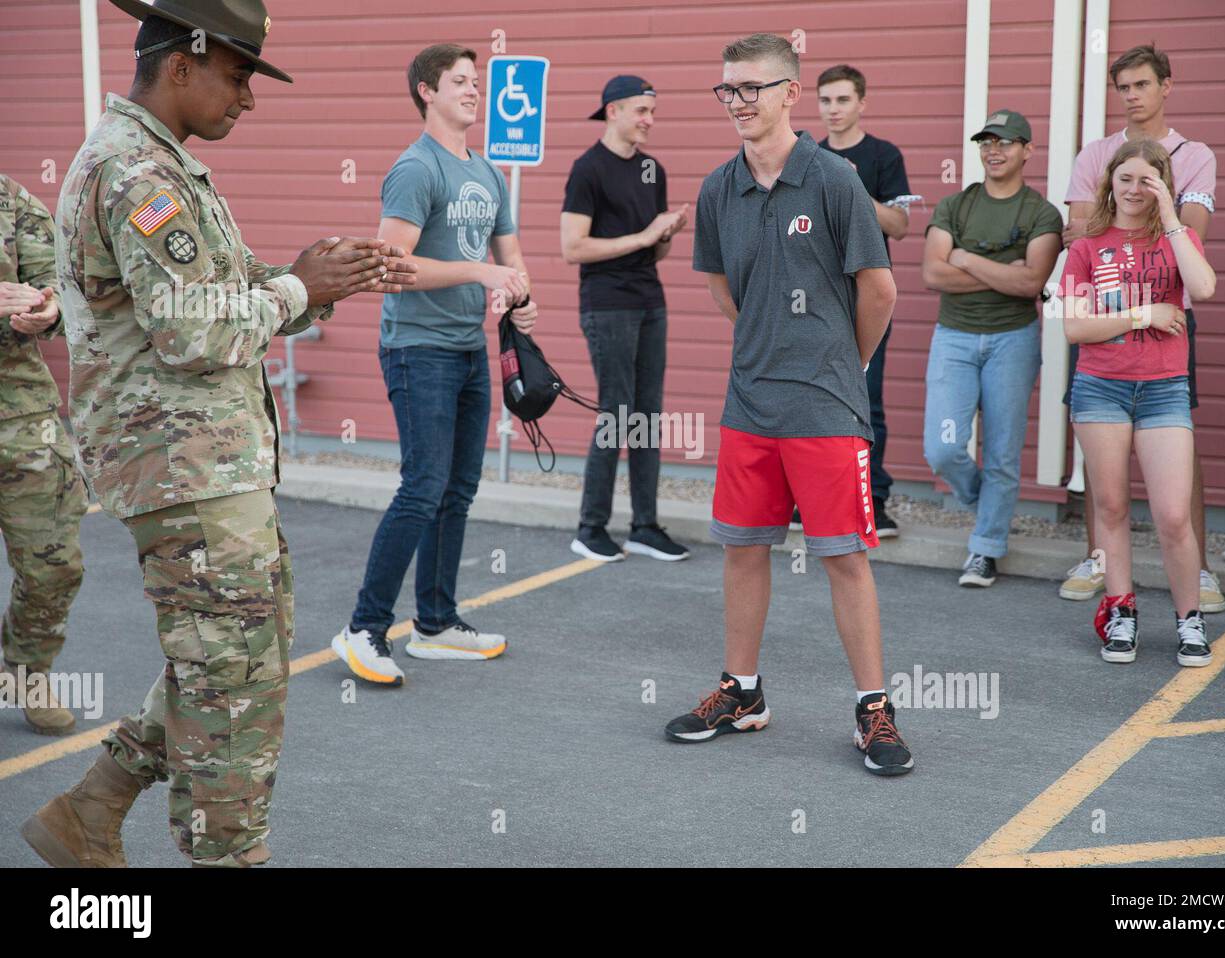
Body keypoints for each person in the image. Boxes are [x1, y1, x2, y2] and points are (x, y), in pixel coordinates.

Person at [23, 1, 415, 868]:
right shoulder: (136, 174)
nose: (247, 98)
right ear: (180, 65)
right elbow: (193, 333)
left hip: (202, 465)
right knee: (236, 680)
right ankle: (226, 857)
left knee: (240, 656)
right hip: (181, 468)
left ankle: (91, 809)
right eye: (238, 76)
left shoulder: (156, 163)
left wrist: (309, 278)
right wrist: (296, 292)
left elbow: (195, 300)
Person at [666, 33, 912, 777]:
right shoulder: (717, 189)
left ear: (790, 94)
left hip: (826, 407)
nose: (739, 102)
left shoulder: (834, 180)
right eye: (728, 90)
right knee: (743, 550)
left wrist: (845, 364)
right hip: (749, 405)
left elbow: (881, 291)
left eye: (753, 88)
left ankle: (873, 709)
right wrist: (766, 350)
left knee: (845, 560)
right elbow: (720, 288)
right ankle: (743, 693)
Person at [333, 44, 538, 684]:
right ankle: (364, 629)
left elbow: (512, 260)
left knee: (457, 489)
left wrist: (520, 299)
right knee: (422, 487)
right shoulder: (415, 169)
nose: (474, 91)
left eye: (476, 81)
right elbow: (390, 269)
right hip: (416, 350)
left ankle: (435, 623)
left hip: (468, 351)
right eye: (460, 81)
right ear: (427, 91)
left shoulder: (488, 174)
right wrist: (482, 273)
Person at [1058, 43, 1224, 613]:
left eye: (1141, 85)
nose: (1131, 96)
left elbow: (1191, 235)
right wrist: (1134, 303)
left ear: (1165, 86)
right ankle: (1103, 565)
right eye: (1122, 87)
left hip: (1169, 331)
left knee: (1175, 444)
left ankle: (1195, 571)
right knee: (1104, 465)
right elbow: (1079, 229)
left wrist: (1161, 224)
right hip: (1106, 339)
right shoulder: (1097, 151)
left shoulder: (1195, 152)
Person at [920, 110, 1063, 588]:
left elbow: (1030, 283)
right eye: (986, 142)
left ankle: (985, 549)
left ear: (1027, 150)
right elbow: (933, 274)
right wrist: (1001, 268)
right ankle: (988, 505)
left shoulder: (1041, 213)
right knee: (942, 447)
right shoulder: (954, 206)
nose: (993, 150)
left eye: (1004, 142)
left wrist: (964, 256)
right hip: (954, 338)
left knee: (1002, 452)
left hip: (1013, 341)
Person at [562, 75, 690, 563]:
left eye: (652, 112)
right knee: (615, 414)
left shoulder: (653, 170)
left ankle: (644, 526)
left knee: (647, 417)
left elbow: (654, 249)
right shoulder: (587, 170)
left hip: (648, 301)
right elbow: (572, 248)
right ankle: (590, 527)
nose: (649, 121)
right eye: (641, 111)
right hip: (607, 303)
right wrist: (642, 237)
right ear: (613, 110)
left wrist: (664, 234)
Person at [0, 173, 89, 736]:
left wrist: (48, 309)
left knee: (54, 563)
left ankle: (28, 670)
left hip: (20, 410)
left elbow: (58, 279)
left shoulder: (6, 197)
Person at [816, 63, 913, 538]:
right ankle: (817, 498)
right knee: (814, 399)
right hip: (814, 298)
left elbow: (899, 225)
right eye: (825, 101)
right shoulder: (807, 155)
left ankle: (874, 499)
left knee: (865, 400)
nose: (833, 110)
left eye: (842, 100)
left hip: (868, 298)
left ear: (861, 103)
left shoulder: (882, 155)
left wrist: (851, 184)